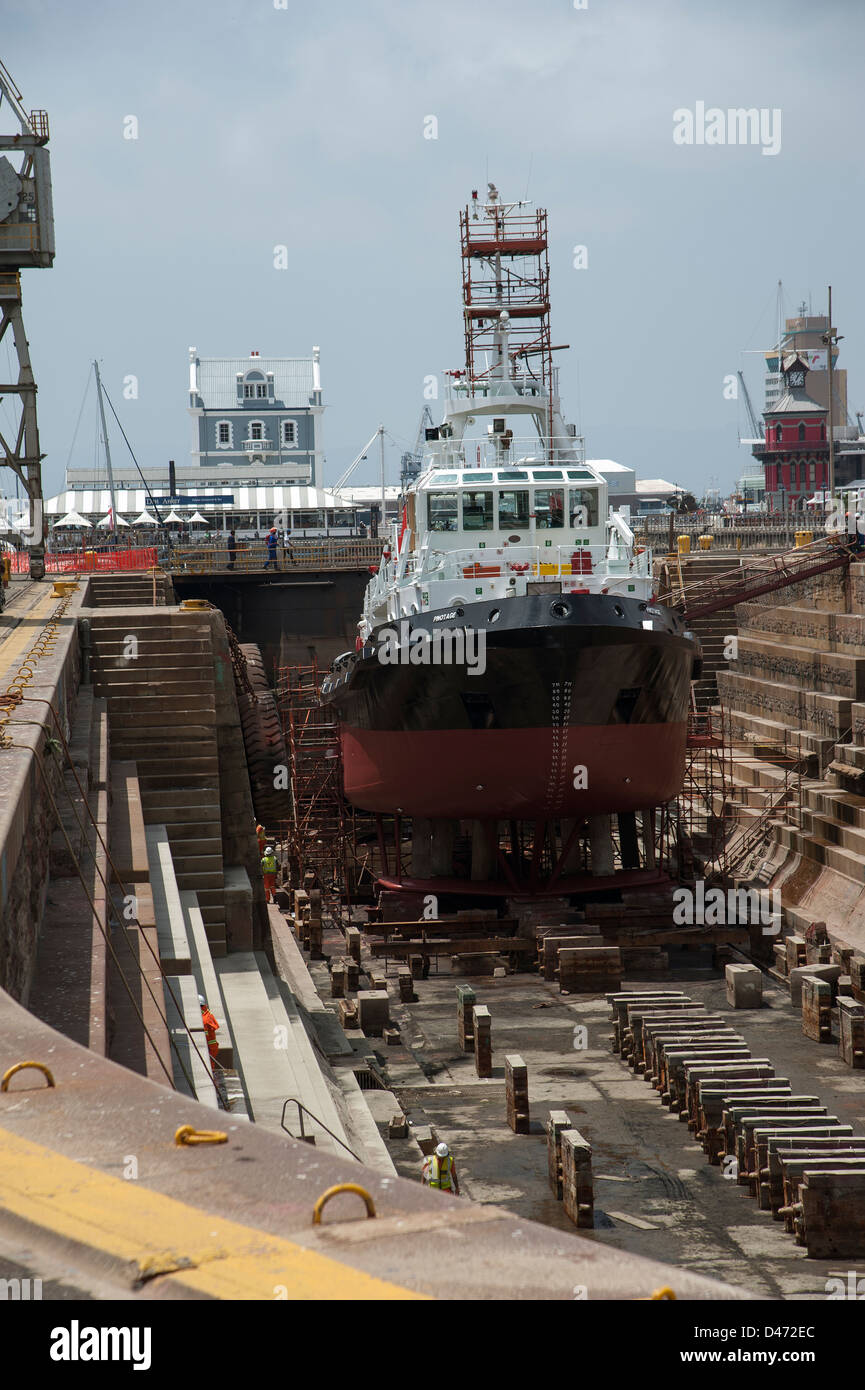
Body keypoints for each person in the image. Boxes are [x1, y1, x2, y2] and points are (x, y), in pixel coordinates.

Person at [199, 994, 220, 1070]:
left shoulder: (204, 1019)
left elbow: (205, 1036)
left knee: (209, 1067)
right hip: (212, 1046)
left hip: (209, 1047)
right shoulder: (207, 1013)